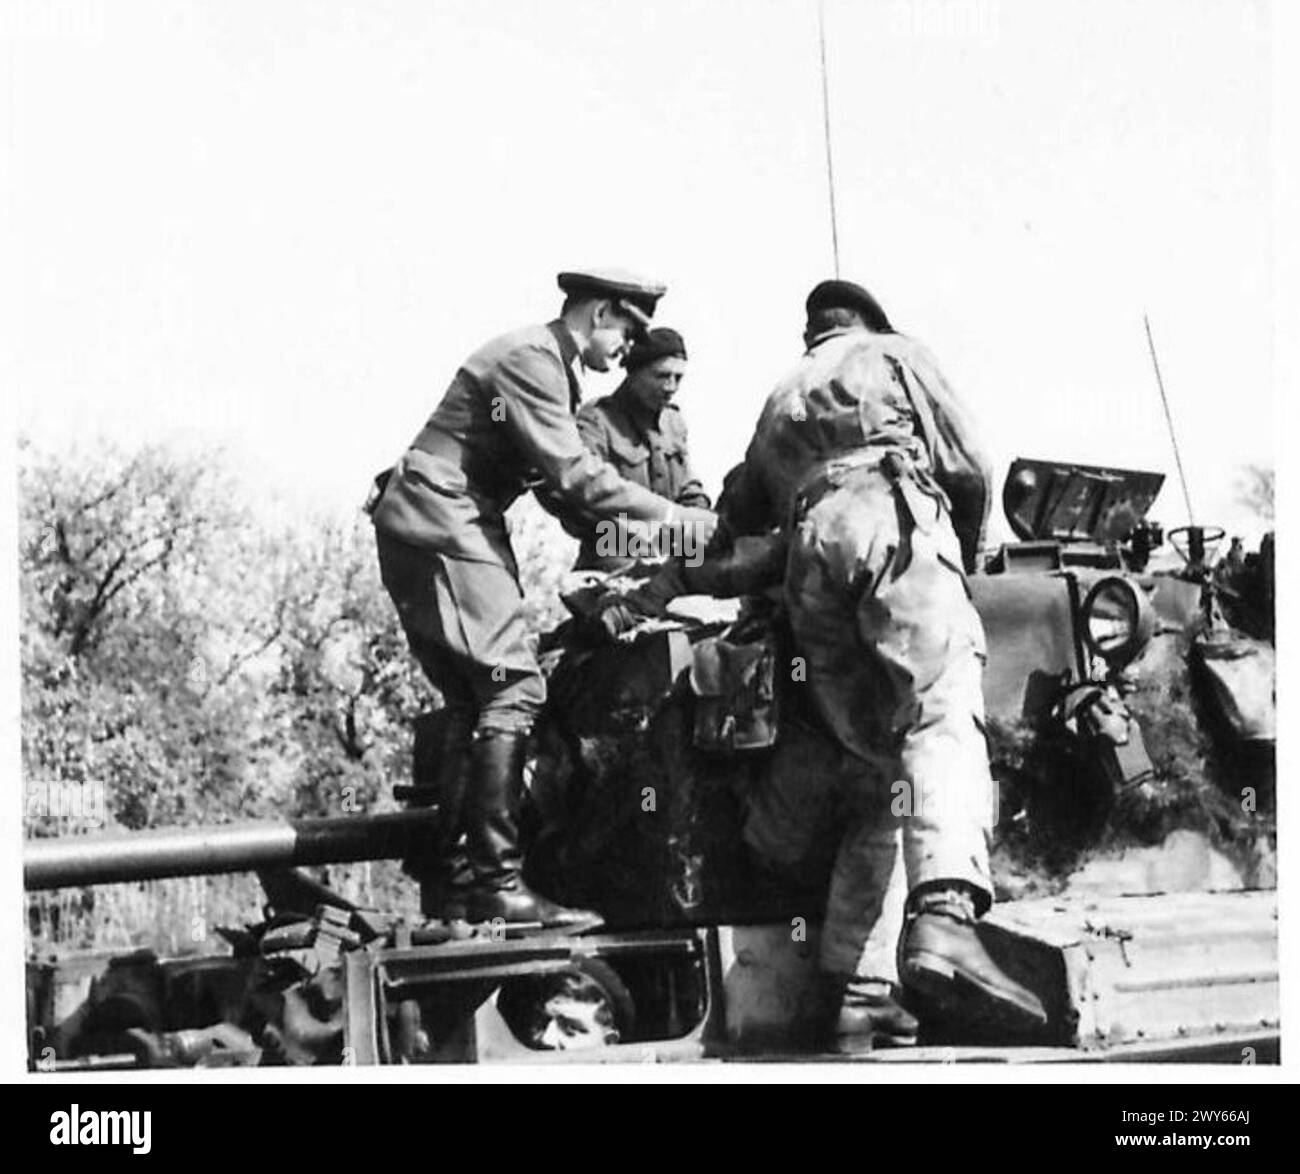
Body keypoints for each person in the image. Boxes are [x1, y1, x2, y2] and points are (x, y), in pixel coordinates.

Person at [608, 279, 1046, 1050]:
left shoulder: (779, 398)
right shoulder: (892, 354)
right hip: (892, 519)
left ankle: (863, 989)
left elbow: (737, 515)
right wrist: (962, 558)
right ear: (867, 324)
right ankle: (946, 913)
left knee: (880, 769)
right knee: (939, 707)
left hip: (811, 556)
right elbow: (971, 463)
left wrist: (668, 574)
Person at [368, 268, 717, 930]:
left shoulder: (550, 370)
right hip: (445, 514)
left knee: (479, 699)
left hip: (441, 514)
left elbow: (566, 500)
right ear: (602, 312)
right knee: (513, 690)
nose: (628, 353)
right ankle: (496, 884)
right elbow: (579, 479)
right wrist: (692, 527)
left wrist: (670, 553)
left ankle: (463, 879)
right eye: (629, 333)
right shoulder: (534, 359)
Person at [568, 327, 711, 572]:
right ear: (634, 372)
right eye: (662, 376)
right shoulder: (597, 421)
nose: (671, 387)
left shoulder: (673, 422)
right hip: (612, 557)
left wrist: (703, 521)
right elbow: (581, 508)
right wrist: (647, 539)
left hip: (672, 552)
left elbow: (688, 489)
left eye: (678, 378)